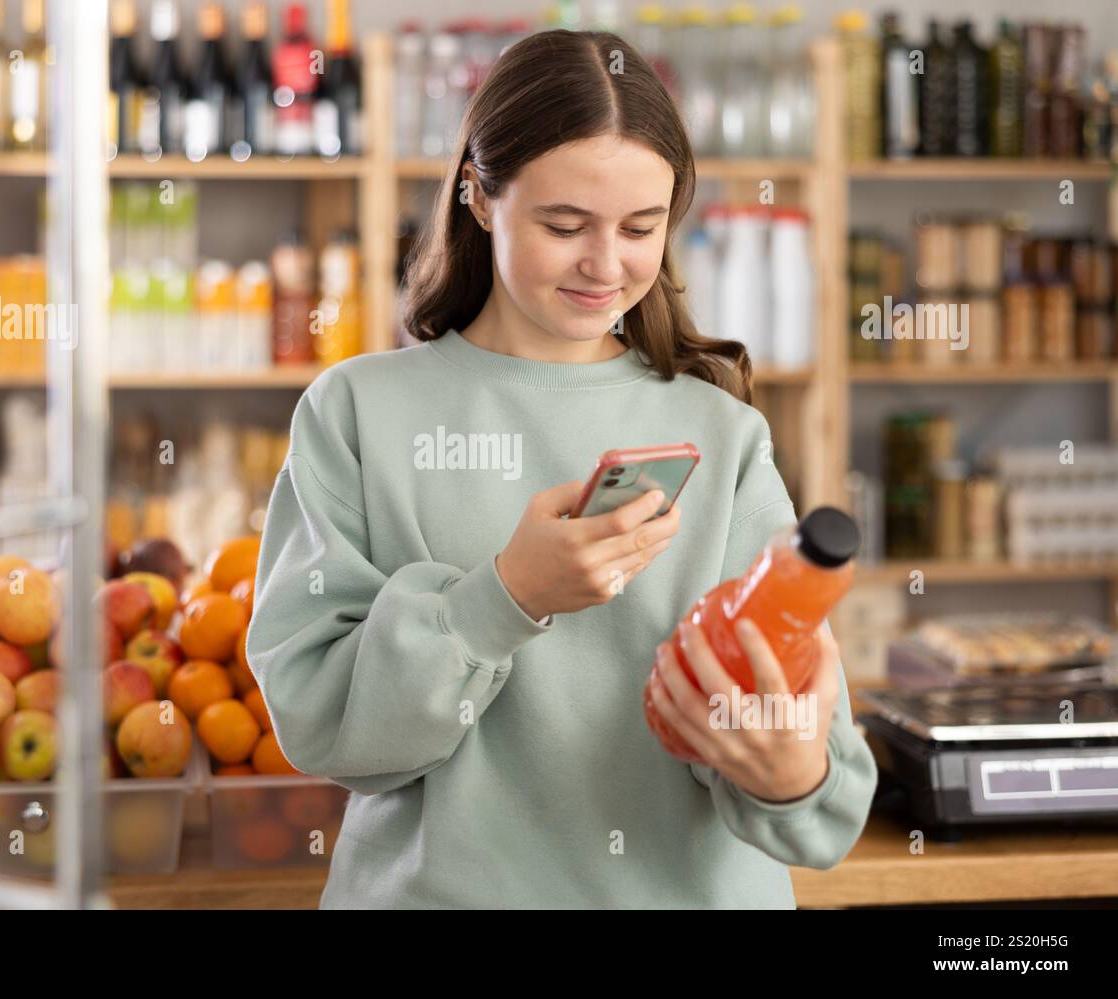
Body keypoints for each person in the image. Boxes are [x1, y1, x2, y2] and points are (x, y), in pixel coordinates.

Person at [245, 29, 877, 908]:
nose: (605, 264)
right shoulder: (357, 413)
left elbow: (826, 809)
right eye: (563, 224)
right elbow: (320, 724)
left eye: (640, 228)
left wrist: (788, 766)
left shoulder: (723, 437)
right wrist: (504, 596)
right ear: (478, 194)